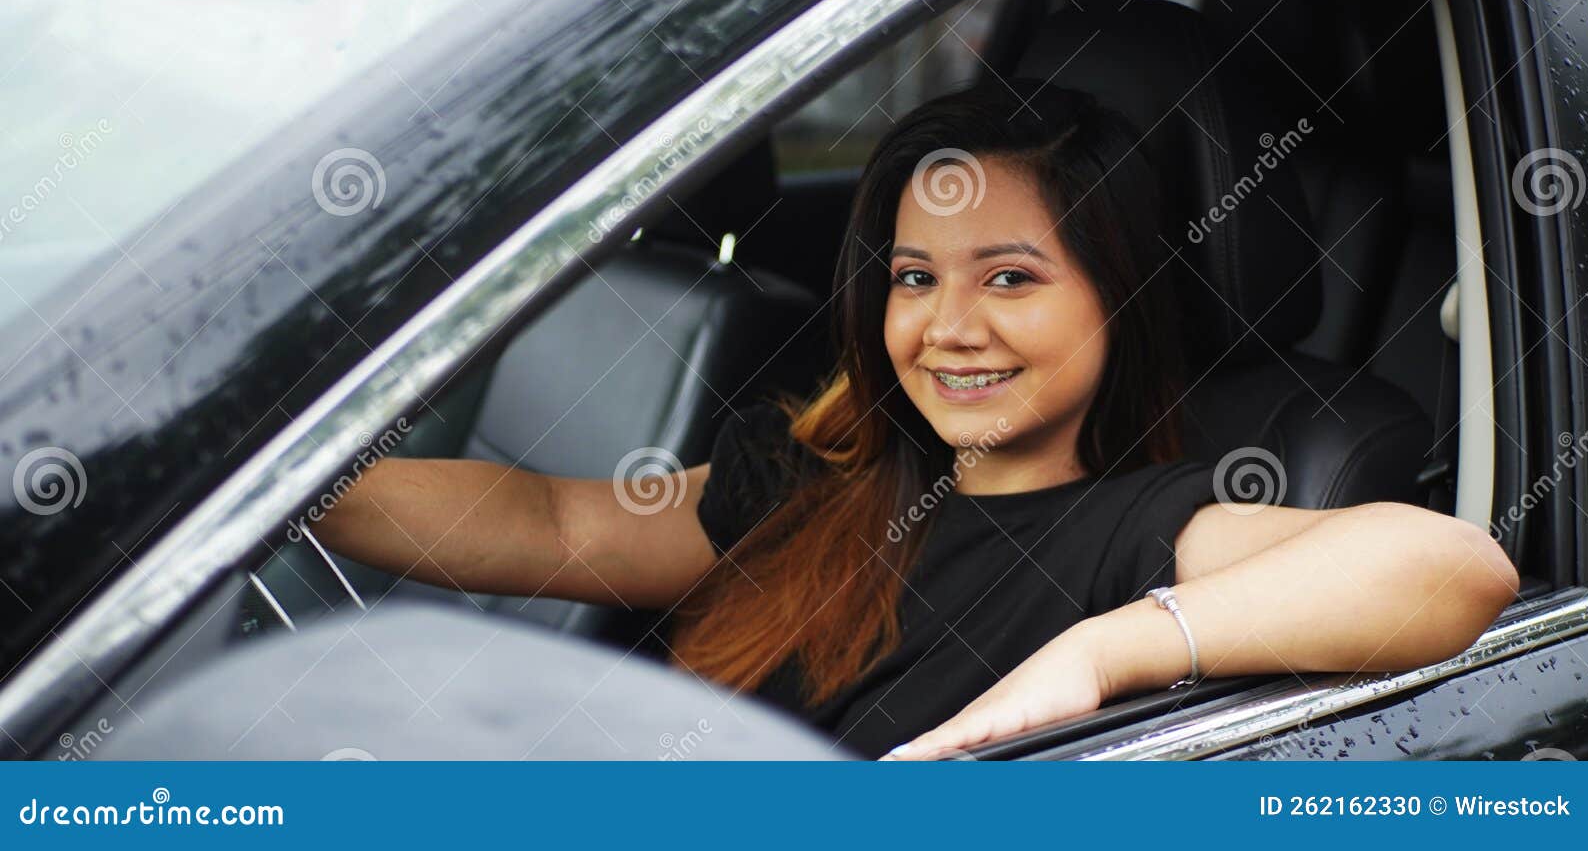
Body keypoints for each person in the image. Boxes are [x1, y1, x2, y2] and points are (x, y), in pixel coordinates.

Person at [316, 80, 1519, 761]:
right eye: (912, 276)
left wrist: (1100, 653)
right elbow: (559, 525)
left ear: (1120, 297)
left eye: (1009, 278)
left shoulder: (1137, 530)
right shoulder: (820, 475)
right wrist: (281, 483)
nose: (948, 327)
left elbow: (1451, 567)